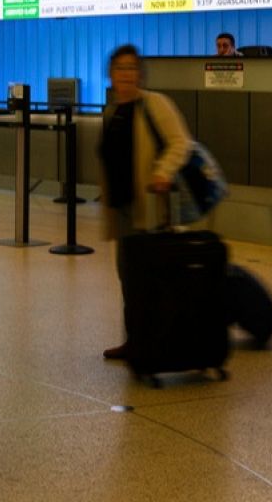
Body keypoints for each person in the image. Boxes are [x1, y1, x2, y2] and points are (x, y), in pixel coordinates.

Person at [97, 44, 194, 360]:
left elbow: (181, 143)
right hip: (122, 208)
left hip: (150, 207)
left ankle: (154, 343)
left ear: (140, 73)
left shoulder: (155, 104)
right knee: (128, 276)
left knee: (147, 277)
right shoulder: (112, 111)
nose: (126, 74)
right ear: (111, 74)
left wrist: (163, 171)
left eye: (131, 68)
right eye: (119, 68)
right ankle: (135, 340)